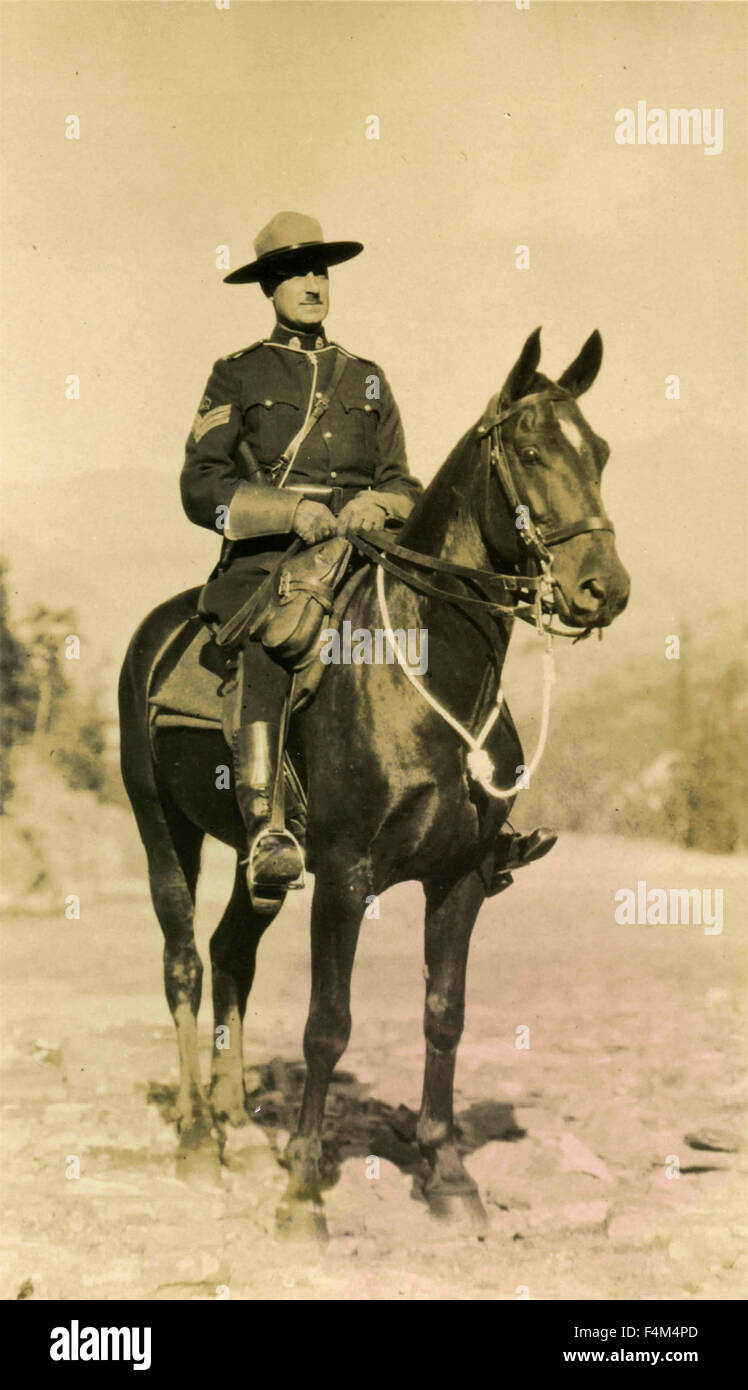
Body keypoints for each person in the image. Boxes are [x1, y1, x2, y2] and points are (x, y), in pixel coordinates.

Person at [181, 212, 422, 896]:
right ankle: (266, 825)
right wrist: (292, 510)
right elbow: (203, 489)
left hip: (363, 550)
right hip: (273, 559)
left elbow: (403, 478)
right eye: (295, 272)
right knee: (278, 632)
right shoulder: (236, 374)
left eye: (320, 269)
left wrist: (380, 504)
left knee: (438, 623)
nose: (313, 283)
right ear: (269, 287)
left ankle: (473, 806)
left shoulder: (366, 376)